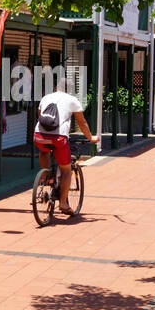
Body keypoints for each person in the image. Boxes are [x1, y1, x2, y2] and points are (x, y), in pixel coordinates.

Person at [33, 77, 99, 214]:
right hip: (59, 138)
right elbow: (82, 122)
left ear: (57, 88)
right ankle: (63, 203)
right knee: (66, 170)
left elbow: (39, 116)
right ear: (71, 91)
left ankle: (45, 177)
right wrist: (90, 138)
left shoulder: (46, 97)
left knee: (44, 151)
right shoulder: (72, 100)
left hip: (39, 136)